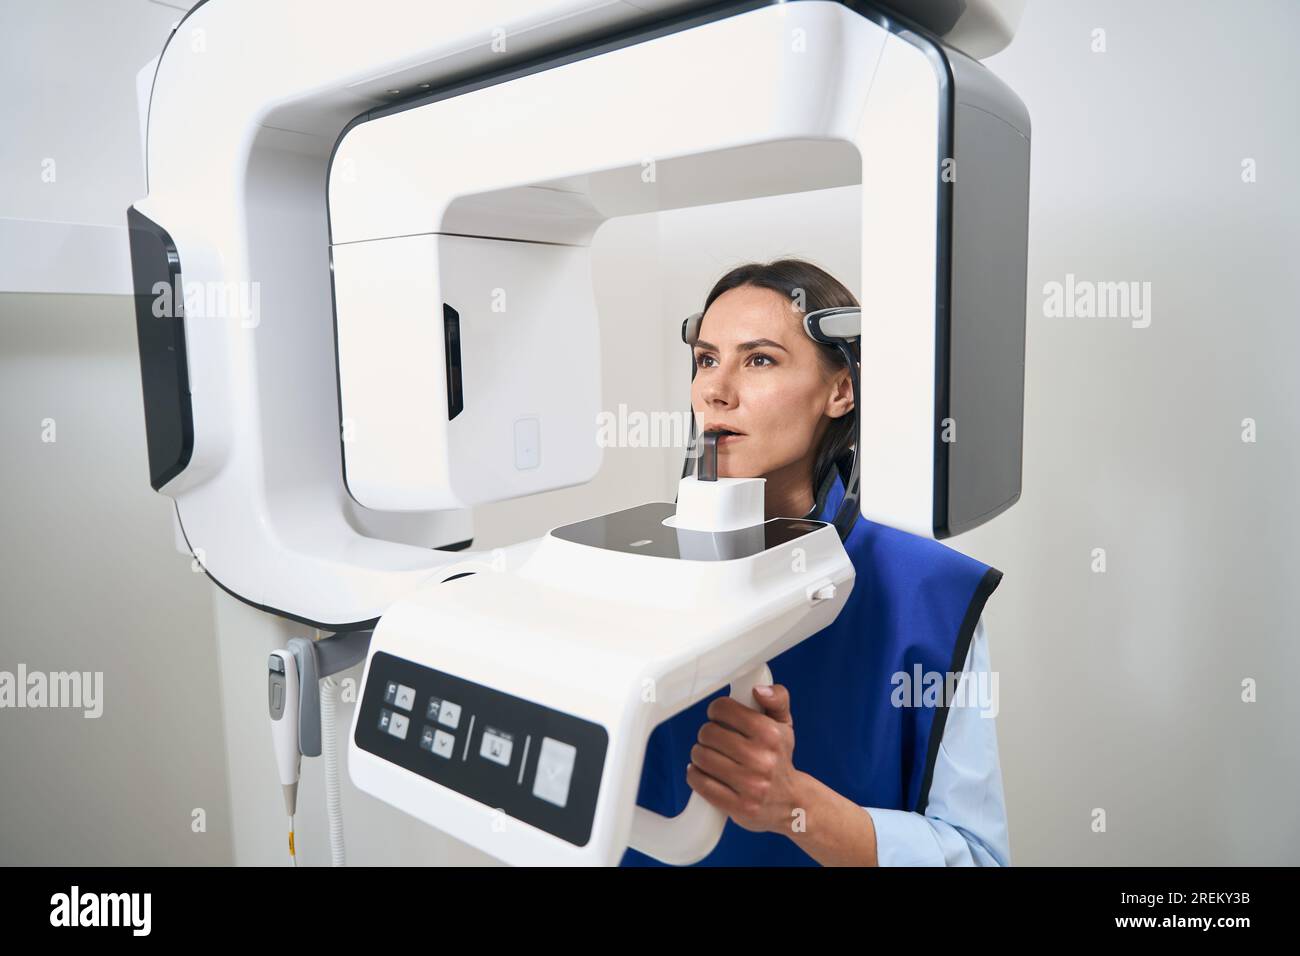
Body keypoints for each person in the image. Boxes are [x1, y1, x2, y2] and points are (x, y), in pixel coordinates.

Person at [619, 258, 1010, 866]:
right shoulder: (623, 568)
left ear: (840, 389)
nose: (717, 391)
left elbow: (978, 858)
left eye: (760, 359)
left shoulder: (930, 597)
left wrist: (794, 804)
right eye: (706, 359)